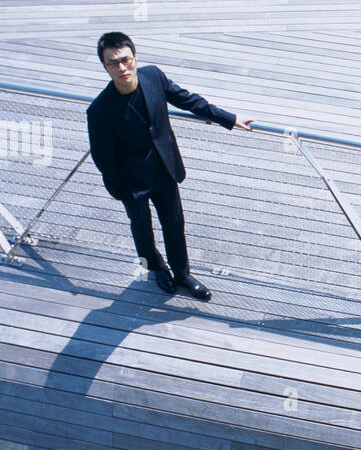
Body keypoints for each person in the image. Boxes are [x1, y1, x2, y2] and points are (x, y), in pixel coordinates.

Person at [86, 32, 253, 301]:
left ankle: (182, 273)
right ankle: (154, 268)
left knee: (174, 223)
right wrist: (121, 191)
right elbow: (103, 159)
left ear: (135, 57)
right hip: (132, 183)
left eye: (125, 60)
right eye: (113, 63)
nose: (122, 68)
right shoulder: (99, 110)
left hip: (165, 169)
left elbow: (189, 100)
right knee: (141, 228)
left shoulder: (153, 76)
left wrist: (229, 118)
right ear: (105, 67)